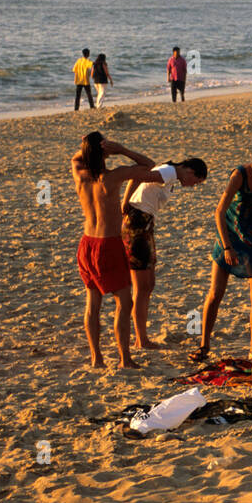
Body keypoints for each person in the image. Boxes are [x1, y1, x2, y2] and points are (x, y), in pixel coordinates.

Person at [71, 131, 165, 368]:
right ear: (105, 152)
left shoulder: (80, 175)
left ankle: (97, 358)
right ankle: (125, 358)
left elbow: (76, 158)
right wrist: (121, 149)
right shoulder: (113, 176)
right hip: (108, 244)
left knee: (92, 302)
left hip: (86, 243)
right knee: (124, 302)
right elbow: (149, 165)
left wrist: (88, 147)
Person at [201, 144, 252, 359]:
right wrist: (227, 247)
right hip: (229, 234)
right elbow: (219, 211)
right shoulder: (239, 174)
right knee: (215, 294)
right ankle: (204, 345)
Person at [121, 156, 208, 349]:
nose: (193, 186)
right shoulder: (168, 172)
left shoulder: (169, 175)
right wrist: (125, 201)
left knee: (148, 285)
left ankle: (140, 337)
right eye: (196, 181)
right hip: (137, 224)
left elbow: (141, 176)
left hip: (145, 225)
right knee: (142, 287)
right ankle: (140, 339)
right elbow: (137, 175)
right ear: (190, 171)